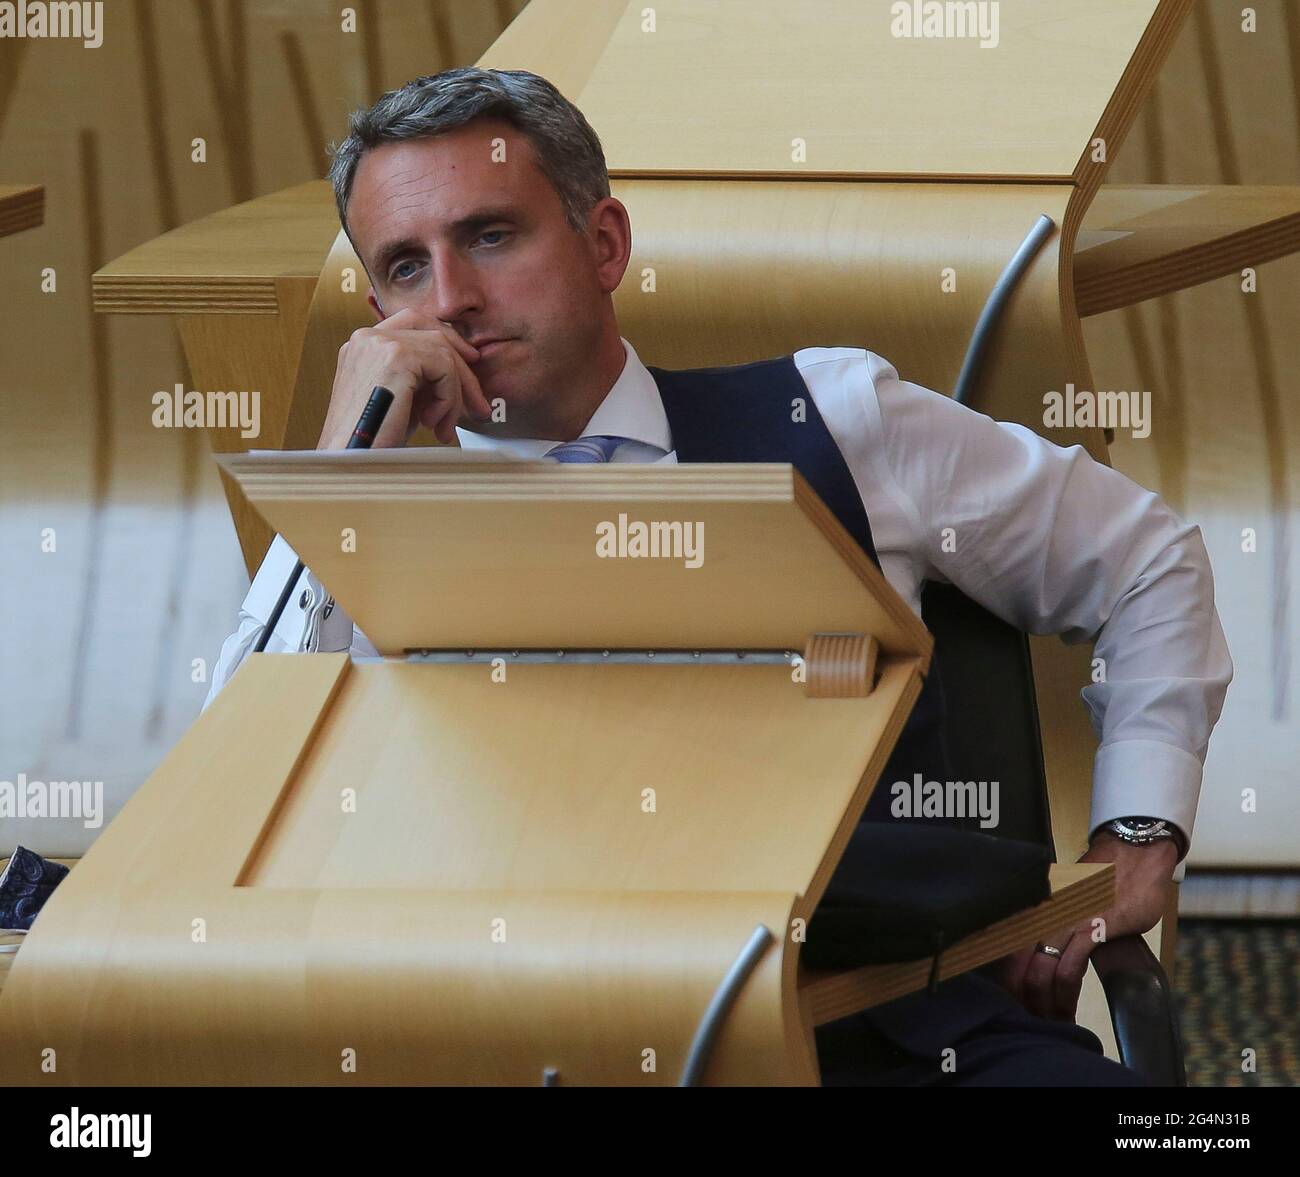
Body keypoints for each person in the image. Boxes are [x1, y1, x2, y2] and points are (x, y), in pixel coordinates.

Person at [203, 67, 1232, 1085]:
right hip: (526, 1049)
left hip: (893, 1036)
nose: (454, 301)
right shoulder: (368, 541)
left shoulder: (834, 420)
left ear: (603, 244)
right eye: (404, 268)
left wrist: (1135, 833)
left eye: (489, 236)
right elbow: (226, 802)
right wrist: (343, 471)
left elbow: (1145, 559)